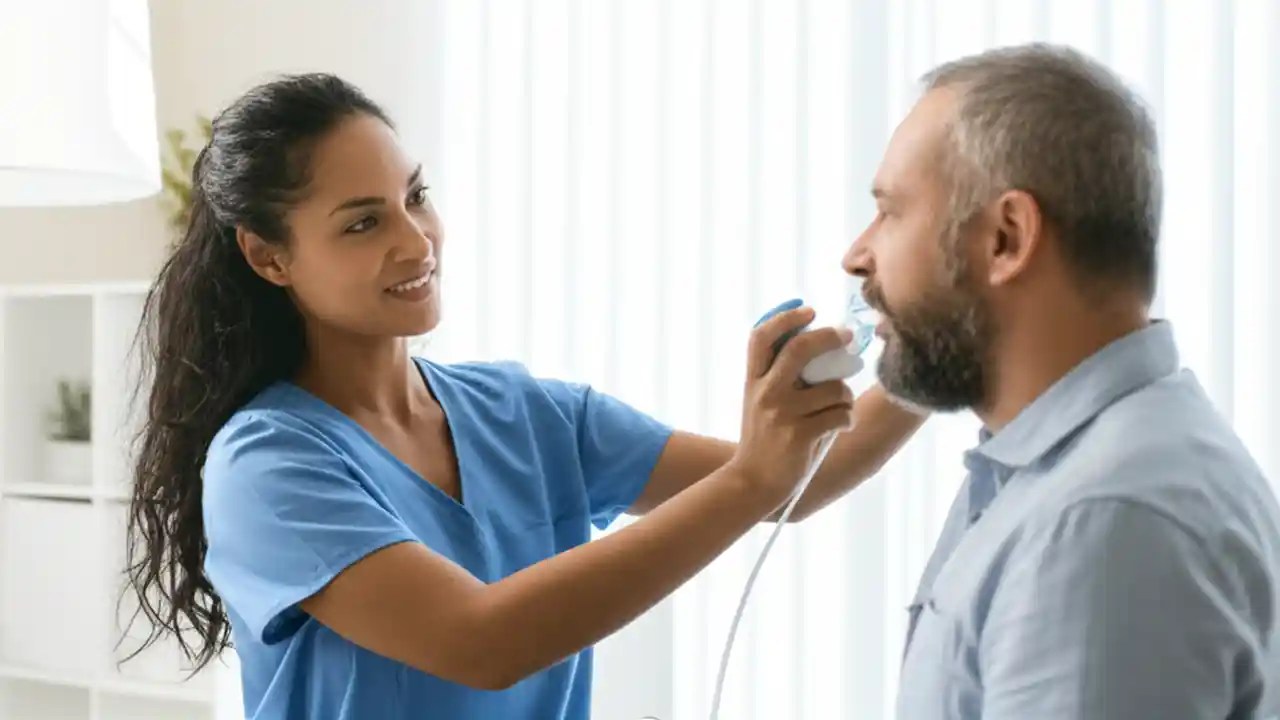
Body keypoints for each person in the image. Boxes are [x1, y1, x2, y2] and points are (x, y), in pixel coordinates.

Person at [123, 73, 925, 720]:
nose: (416, 240)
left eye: (416, 196)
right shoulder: (266, 463)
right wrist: (752, 478)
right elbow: (481, 642)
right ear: (269, 258)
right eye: (363, 224)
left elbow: (809, 476)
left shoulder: (528, 415)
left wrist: (953, 341)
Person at [845, 42, 1280, 719]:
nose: (857, 255)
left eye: (891, 211)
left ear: (1007, 237)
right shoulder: (1054, 473)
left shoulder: (1098, 518)